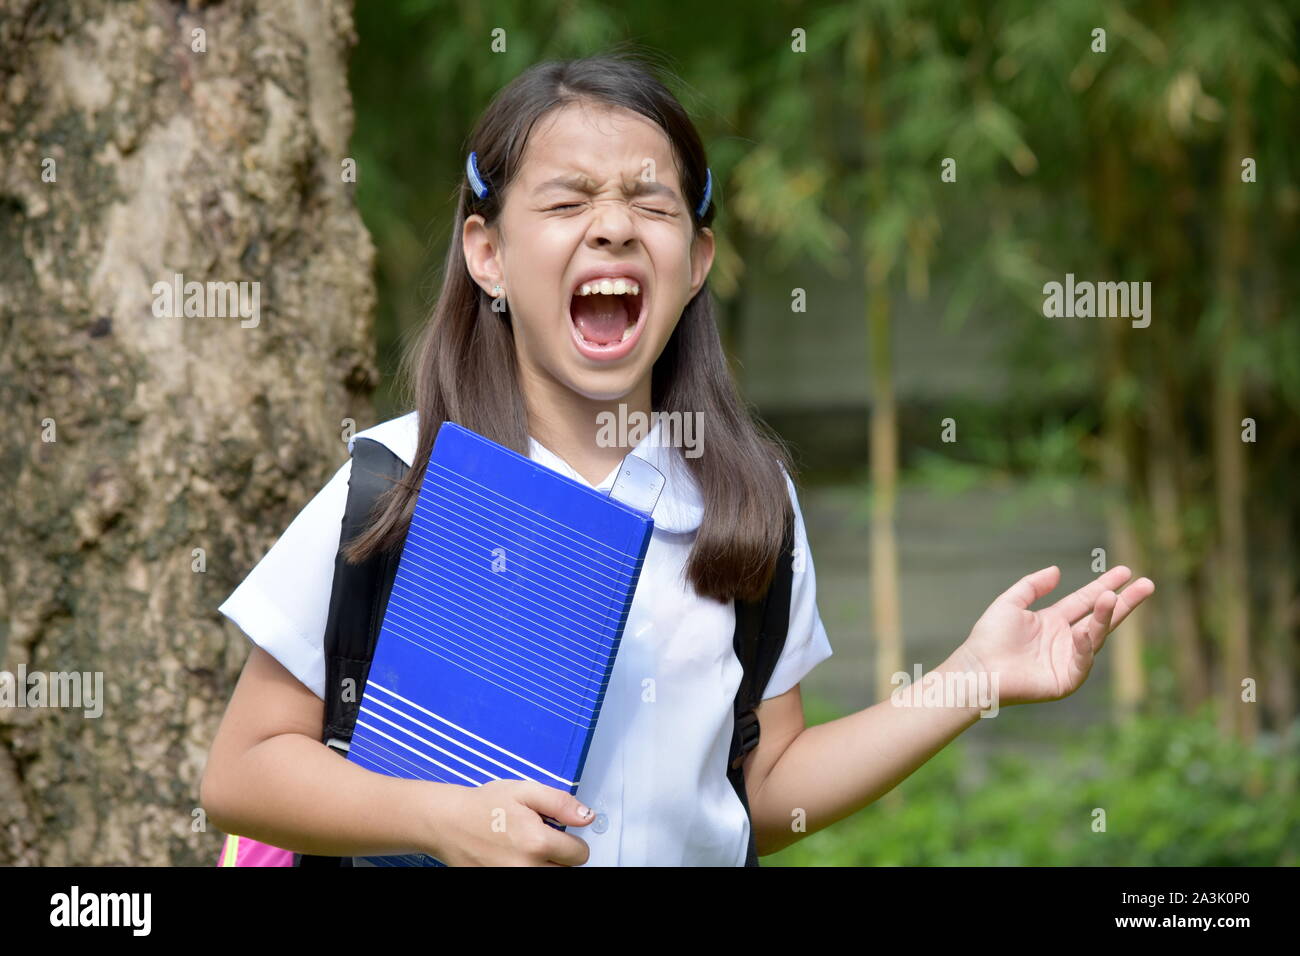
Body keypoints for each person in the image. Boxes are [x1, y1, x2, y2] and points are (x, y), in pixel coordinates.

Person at [199, 52, 1154, 867]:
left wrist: (969, 678)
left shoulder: (748, 503)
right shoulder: (398, 482)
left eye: (648, 202)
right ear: (487, 255)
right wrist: (437, 821)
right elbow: (240, 774)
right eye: (567, 199)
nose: (611, 225)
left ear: (697, 262)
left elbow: (762, 791)